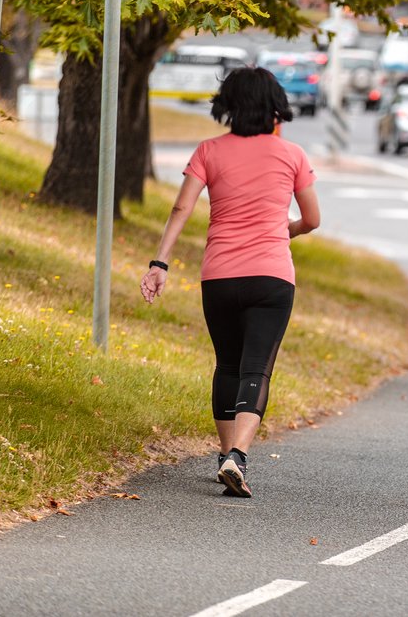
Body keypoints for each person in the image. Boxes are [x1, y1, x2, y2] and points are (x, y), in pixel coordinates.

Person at [140, 66, 321, 498]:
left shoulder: (209, 150)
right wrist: (286, 231)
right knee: (256, 368)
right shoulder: (292, 154)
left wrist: (160, 263)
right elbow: (312, 219)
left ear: (228, 106)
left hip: (219, 276)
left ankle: (225, 455)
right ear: (275, 106)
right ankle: (236, 457)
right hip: (271, 276)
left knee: (226, 364)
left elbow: (181, 209)